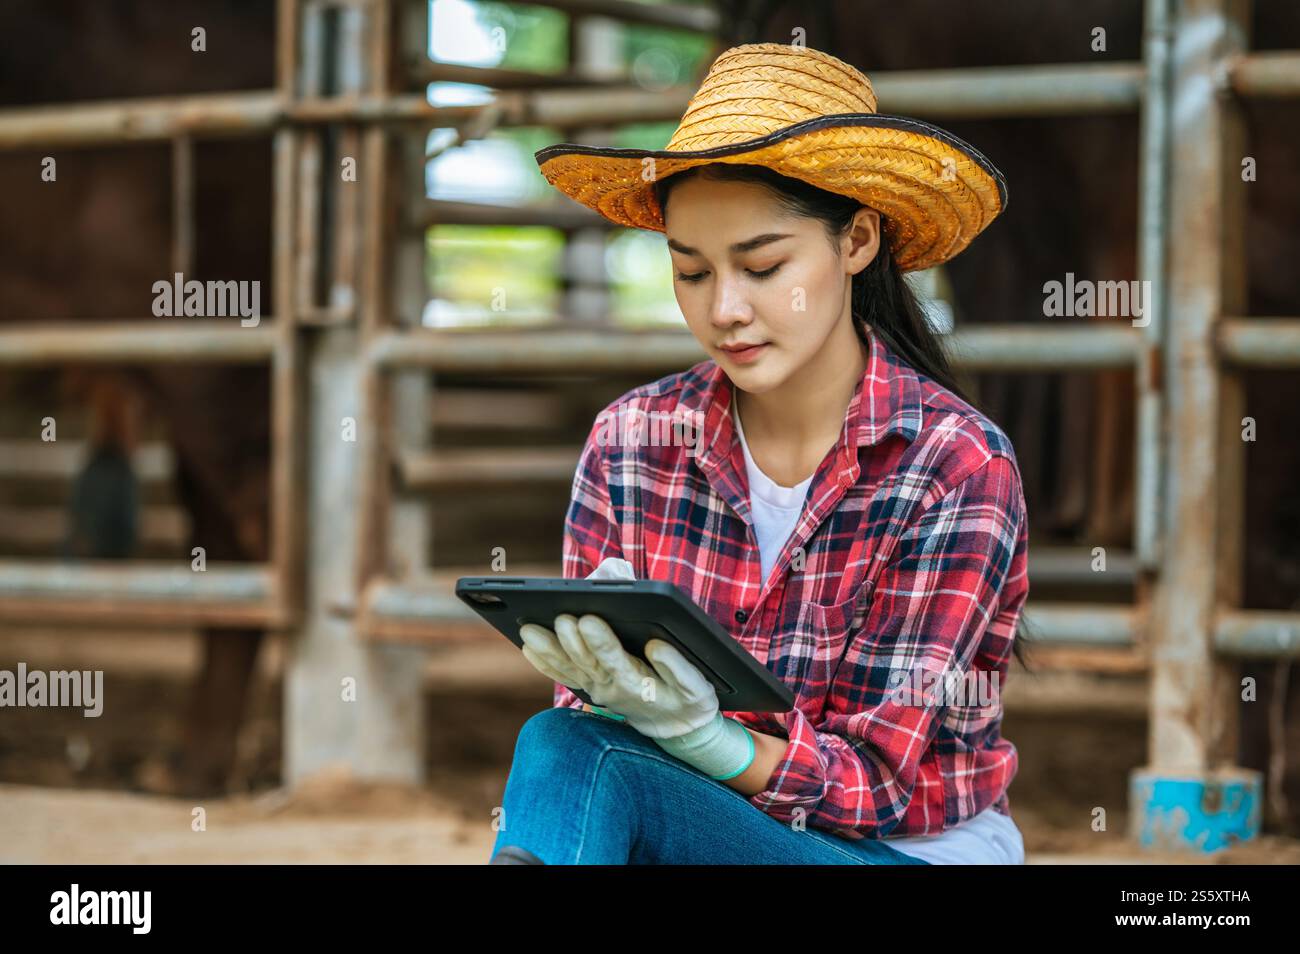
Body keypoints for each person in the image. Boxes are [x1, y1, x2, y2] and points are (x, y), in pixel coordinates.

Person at [489, 42, 1029, 865]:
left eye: (764, 265)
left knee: (586, 767)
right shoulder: (631, 441)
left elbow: (876, 785)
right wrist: (609, 698)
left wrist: (710, 741)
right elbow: (591, 714)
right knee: (562, 743)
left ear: (856, 242)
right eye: (692, 273)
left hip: (897, 850)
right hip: (698, 823)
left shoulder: (955, 466)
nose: (727, 309)